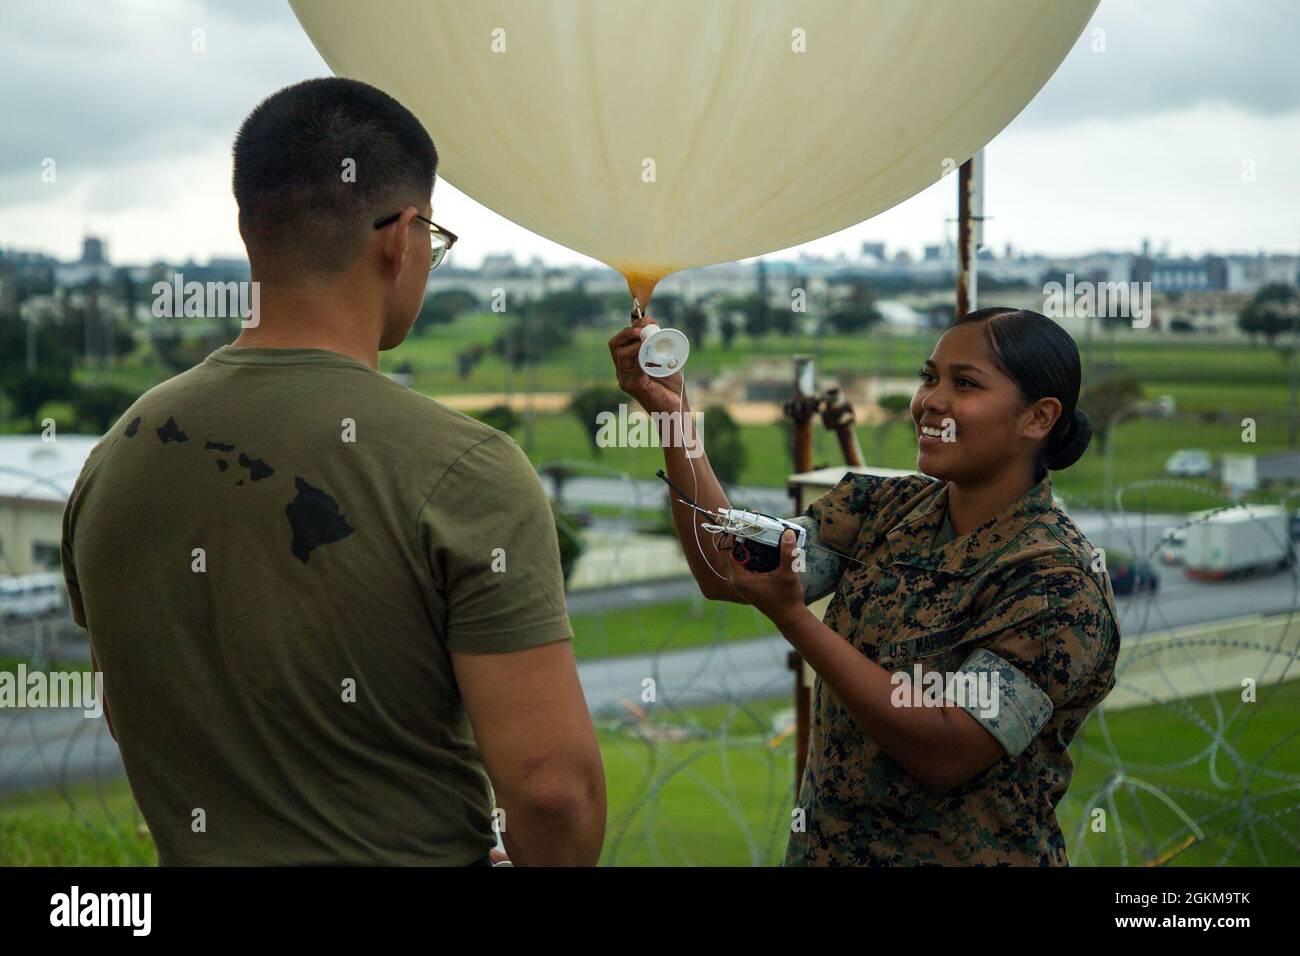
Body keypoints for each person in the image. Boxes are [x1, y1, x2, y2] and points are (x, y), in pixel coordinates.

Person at [60, 77, 605, 866]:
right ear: (402, 234)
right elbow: (553, 792)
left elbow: (136, 711)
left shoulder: (117, 456)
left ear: (250, 228)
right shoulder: (467, 472)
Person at [609, 306, 1119, 865]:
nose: (930, 402)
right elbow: (726, 567)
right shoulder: (883, 507)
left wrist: (795, 620)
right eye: (929, 378)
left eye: (965, 384)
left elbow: (946, 750)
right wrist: (673, 414)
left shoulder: (1055, 581)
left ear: (1038, 417)